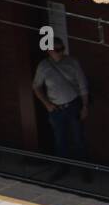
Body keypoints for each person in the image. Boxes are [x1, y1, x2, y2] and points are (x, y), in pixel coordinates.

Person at [31, 36, 90, 180]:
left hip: (73, 105)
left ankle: (84, 170)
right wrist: (47, 104)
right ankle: (62, 167)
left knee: (78, 139)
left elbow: (83, 85)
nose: (61, 52)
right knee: (60, 140)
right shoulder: (44, 66)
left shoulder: (72, 62)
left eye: (62, 49)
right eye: (57, 50)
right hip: (56, 109)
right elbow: (36, 86)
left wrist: (85, 106)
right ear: (49, 51)